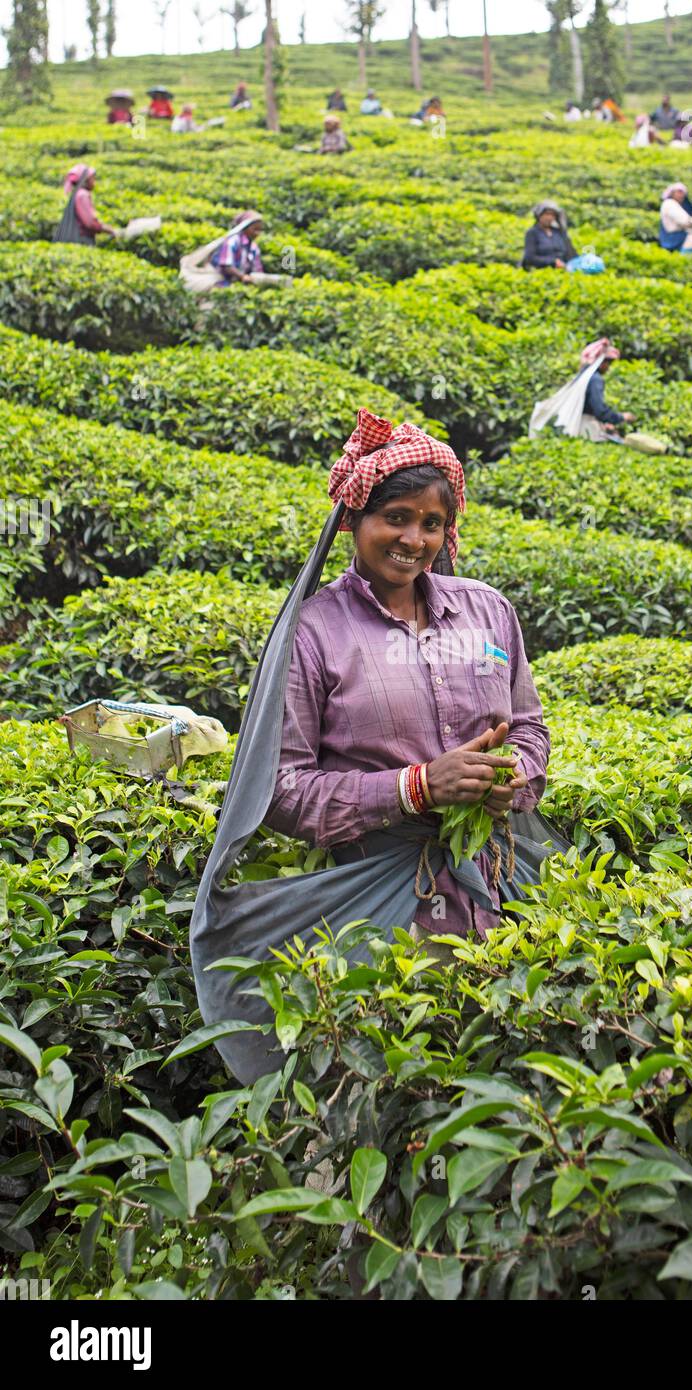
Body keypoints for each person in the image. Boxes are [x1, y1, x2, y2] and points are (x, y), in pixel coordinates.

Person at [190, 408, 572, 1084]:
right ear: (352, 521)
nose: (412, 539)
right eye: (395, 517)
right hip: (384, 900)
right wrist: (417, 788)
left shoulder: (487, 611)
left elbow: (528, 724)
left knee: (517, 1069)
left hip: (507, 877)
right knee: (402, 1078)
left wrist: (517, 777)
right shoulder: (314, 635)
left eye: (430, 523)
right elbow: (278, 791)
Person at [529, 339, 667, 454]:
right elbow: (599, 410)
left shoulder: (582, 377)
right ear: (601, 362)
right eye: (608, 363)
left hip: (579, 425)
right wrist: (621, 417)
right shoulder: (595, 379)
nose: (608, 367)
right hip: (586, 428)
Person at [53, 165, 118, 246]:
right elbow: (90, 223)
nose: (94, 181)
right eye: (93, 178)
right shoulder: (82, 195)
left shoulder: (77, 193)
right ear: (86, 180)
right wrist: (107, 229)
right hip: (79, 241)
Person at [521, 200, 576, 270]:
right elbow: (530, 258)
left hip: (563, 271)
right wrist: (552, 262)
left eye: (553, 215)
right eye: (546, 214)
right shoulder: (532, 233)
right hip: (541, 272)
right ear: (539, 215)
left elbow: (571, 254)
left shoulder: (559, 232)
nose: (549, 217)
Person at [659, 182, 692, 252]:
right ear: (672, 193)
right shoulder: (669, 203)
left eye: (683, 193)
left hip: (679, 236)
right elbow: (684, 221)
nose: (681, 195)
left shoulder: (677, 205)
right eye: (679, 192)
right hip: (674, 237)